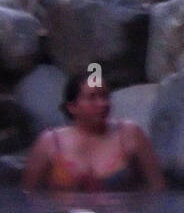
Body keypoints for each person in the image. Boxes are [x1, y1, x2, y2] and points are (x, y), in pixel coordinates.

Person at [22, 75, 166, 191]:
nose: (102, 104)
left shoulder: (130, 134)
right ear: (72, 107)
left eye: (105, 96)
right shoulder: (50, 141)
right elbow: (28, 195)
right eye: (92, 97)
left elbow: (157, 189)